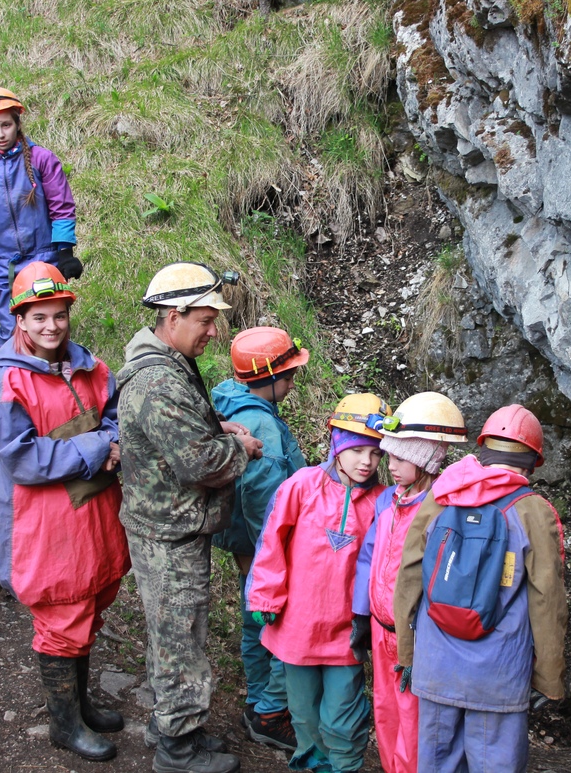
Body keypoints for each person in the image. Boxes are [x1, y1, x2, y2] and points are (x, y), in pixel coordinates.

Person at [0, 261, 128, 762]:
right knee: (62, 610)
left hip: (94, 511)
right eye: (39, 317)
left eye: (59, 315)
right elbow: (22, 458)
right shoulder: (9, 384)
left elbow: (113, 417)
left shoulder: (89, 366)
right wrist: (96, 449)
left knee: (89, 599)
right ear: (19, 320)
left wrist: (108, 439)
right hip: (43, 520)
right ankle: (65, 724)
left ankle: (80, 705)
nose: (51, 327)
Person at [117, 262, 261, 773]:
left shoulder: (165, 361)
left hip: (166, 524)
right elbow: (201, 463)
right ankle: (176, 752)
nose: (213, 331)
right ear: (173, 316)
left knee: (172, 634)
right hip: (170, 532)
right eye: (205, 320)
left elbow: (174, 432)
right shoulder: (159, 380)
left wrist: (209, 424)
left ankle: (175, 728)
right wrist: (241, 446)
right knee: (180, 640)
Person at [393, 404, 567, 773]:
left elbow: (409, 576)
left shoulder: (443, 493)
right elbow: (546, 600)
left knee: (437, 763)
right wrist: (548, 678)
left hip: (436, 663)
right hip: (498, 673)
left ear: (483, 449)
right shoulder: (533, 510)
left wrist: (408, 656)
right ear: (531, 462)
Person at [246, 393, 391, 773]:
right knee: (304, 713)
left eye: (376, 454)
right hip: (298, 626)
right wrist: (265, 598)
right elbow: (271, 544)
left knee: (343, 715)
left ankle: (343, 767)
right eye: (359, 450)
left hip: (346, 632)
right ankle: (313, 764)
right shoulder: (301, 487)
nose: (367, 462)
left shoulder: (381, 503)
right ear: (337, 445)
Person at [352, 392, 468, 773]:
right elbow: (369, 557)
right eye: (391, 457)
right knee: (385, 712)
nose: (391, 466)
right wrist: (360, 613)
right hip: (381, 627)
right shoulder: (391, 499)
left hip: (415, 637)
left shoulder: (443, 510)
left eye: (401, 459)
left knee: (415, 720)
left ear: (425, 460)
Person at [211, 326, 310, 752]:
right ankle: (270, 711)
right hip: (263, 547)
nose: (292, 381)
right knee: (280, 623)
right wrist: (276, 556)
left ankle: (257, 701)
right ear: (267, 377)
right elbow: (262, 498)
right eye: (288, 374)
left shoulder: (233, 399)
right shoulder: (260, 427)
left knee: (255, 618)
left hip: (243, 544)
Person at [0, 87, 84, 347]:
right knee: (11, 335)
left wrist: (65, 252)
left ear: (17, 123)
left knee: (49, 330)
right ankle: (12, 383)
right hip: (3, 267)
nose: (0, 134)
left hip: (44, 258)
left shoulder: (42, 159)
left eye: (6, 125)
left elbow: (61, 207)